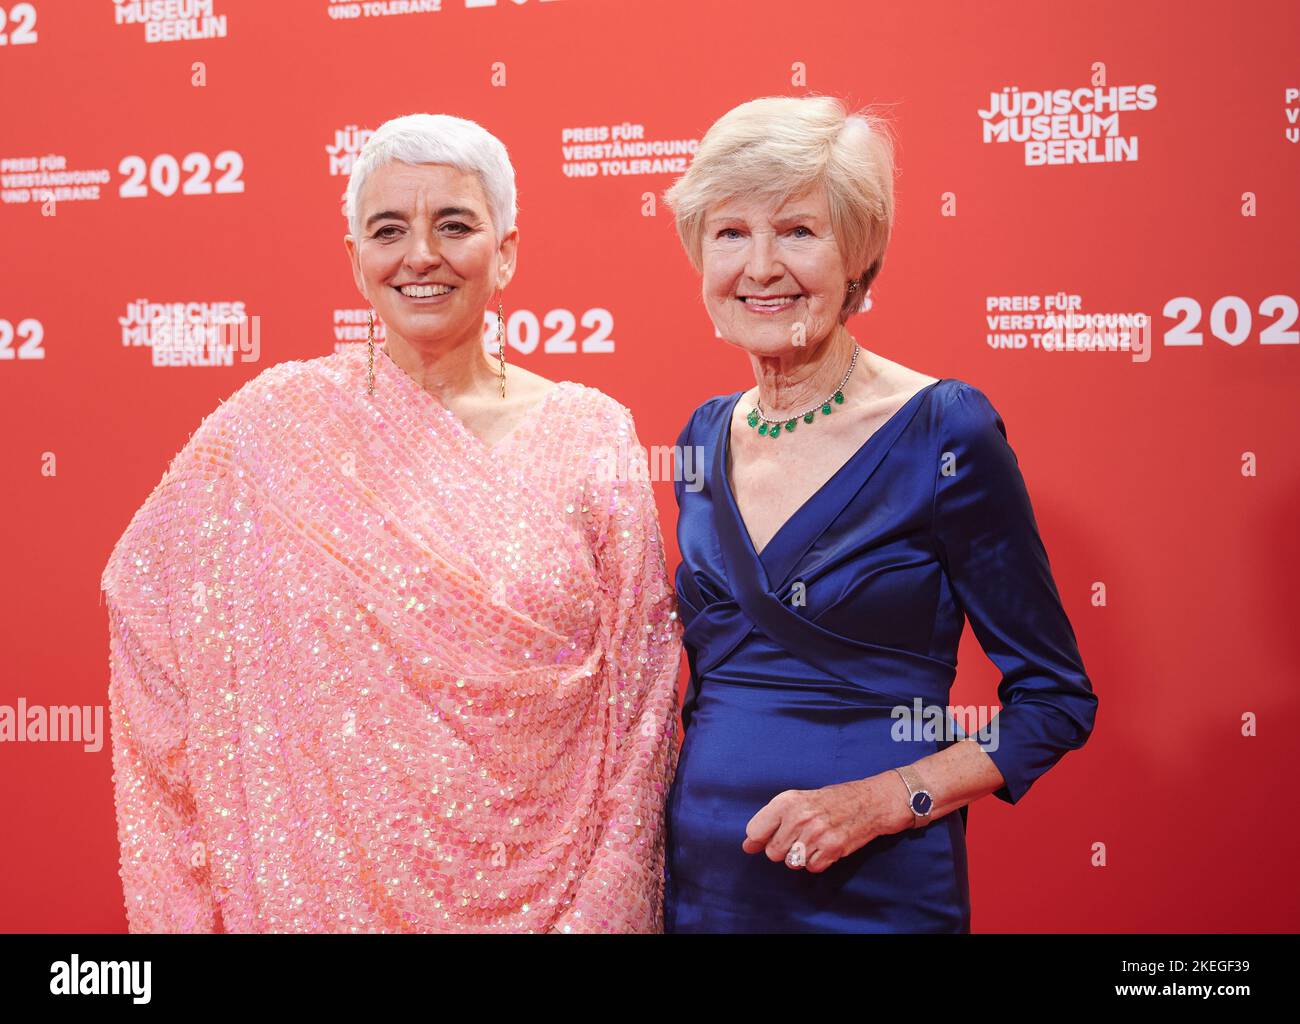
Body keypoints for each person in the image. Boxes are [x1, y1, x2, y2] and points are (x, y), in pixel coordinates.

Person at [101, 112, 682, 933]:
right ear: (355, 261)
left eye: (454, 225)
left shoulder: (592, 433)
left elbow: (644, 696)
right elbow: (144, 603)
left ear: (506, 250)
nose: (420, 255)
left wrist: (607, 906)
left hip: (561, 905)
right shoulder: (271, 429)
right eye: (389, 230)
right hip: (320, 907)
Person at [660, 95, 1099, 932]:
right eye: (730, 233)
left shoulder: (944, 428)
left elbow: (1055, 699)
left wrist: (883, 800)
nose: (760, 267)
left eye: (797, 231)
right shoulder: (701, 438)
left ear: (858, 256)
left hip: (875, 889)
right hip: (707, 886)